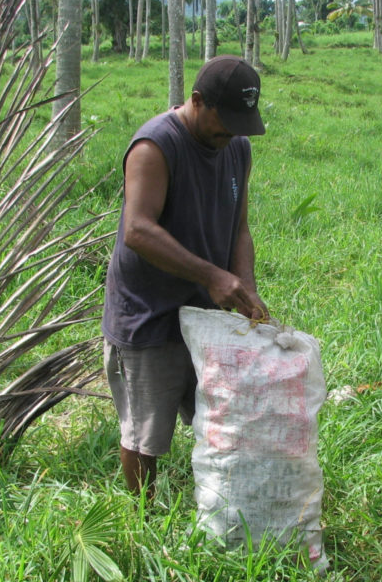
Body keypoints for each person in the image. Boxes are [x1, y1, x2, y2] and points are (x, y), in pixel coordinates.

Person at [101, 55, 269, 501]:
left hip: (206, 315)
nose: (230, 134)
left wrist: (245, 285)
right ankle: (142, 518)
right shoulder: (155, 146)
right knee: (145, 435)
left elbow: (240, 228)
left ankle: (220, 508)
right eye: (223, 122)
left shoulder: (237, 147)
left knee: (221, 421)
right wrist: (212, 275)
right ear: (196, 100)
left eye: (239, 125)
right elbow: (138, 230)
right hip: (149, 314)